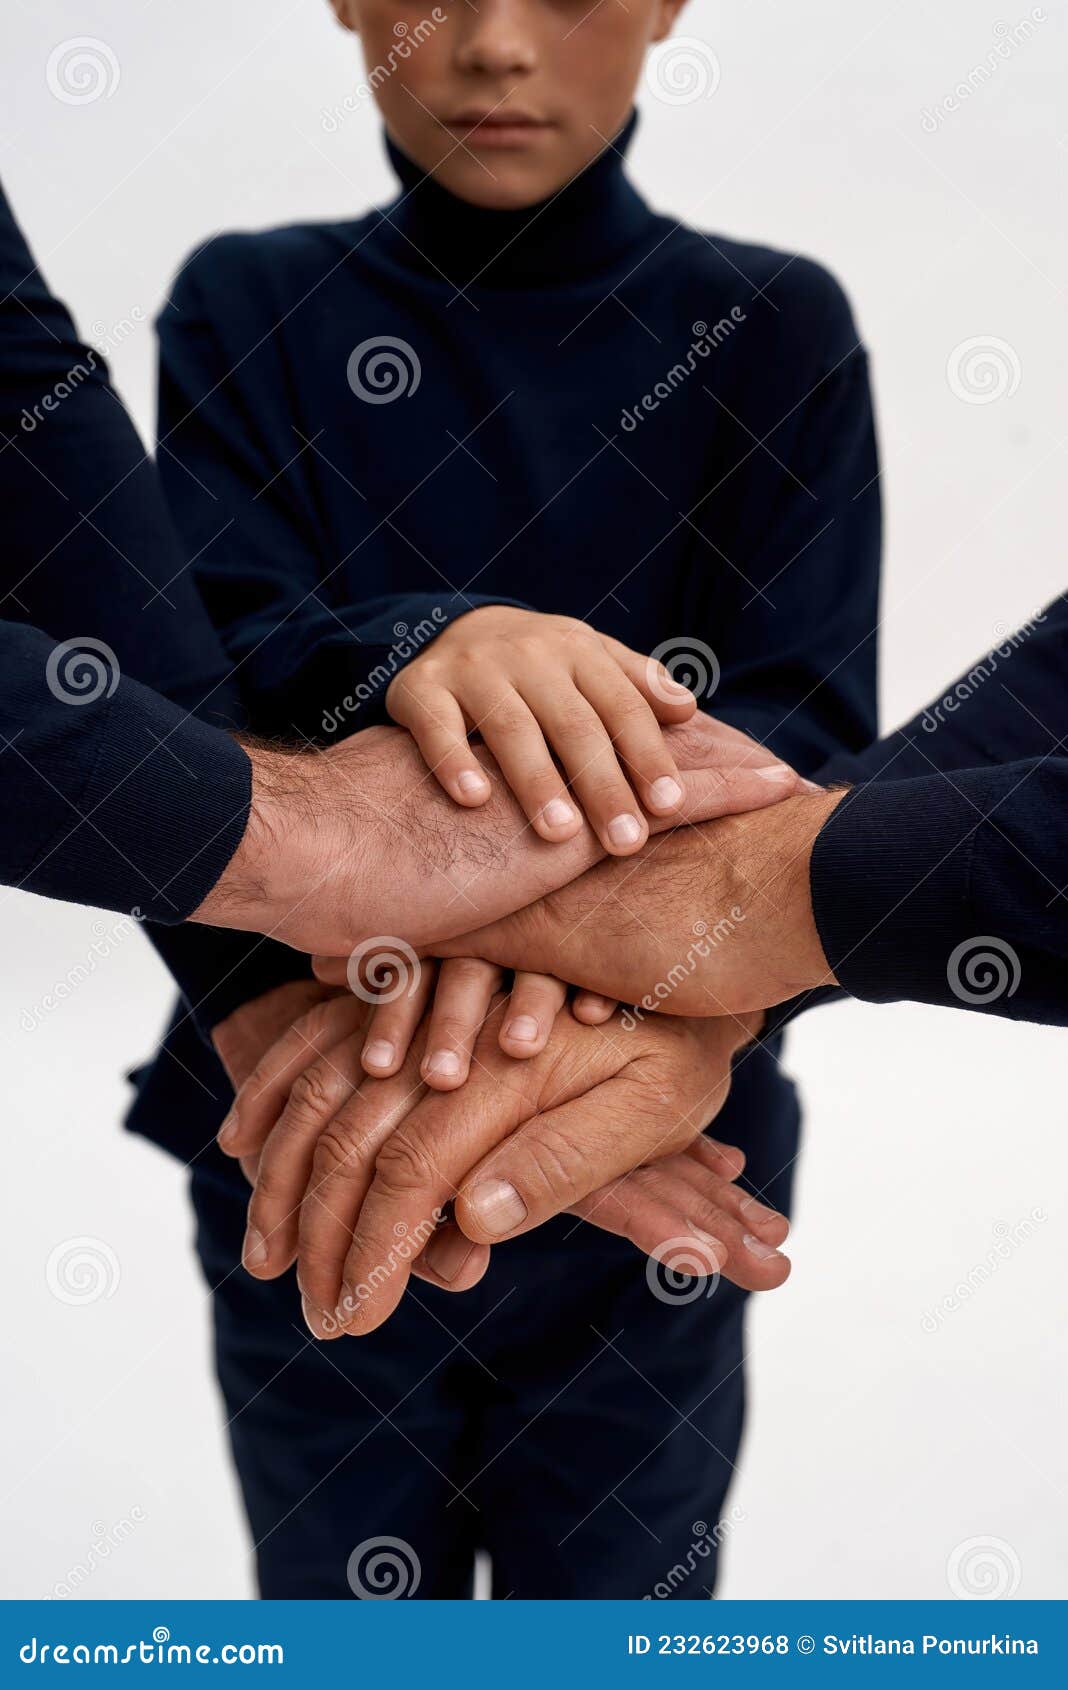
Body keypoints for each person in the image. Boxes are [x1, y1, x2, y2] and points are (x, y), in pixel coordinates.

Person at [152, 0, 880, 1598]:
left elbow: (806, 760)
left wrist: (475, 967)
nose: (490, 45)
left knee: (613, 1623)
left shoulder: (772, 329)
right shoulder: (247, 304)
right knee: (344, 1624)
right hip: (300, 1121)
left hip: (663, 1138)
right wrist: (429, 644)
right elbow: (170, 692)